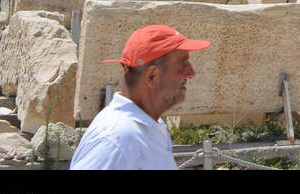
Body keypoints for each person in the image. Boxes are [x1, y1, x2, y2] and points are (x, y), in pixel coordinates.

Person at [69, 24, 209, 170]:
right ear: (152, 76)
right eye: (182, 65)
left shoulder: (150, 127)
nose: (191, 73)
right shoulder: (117, 138)